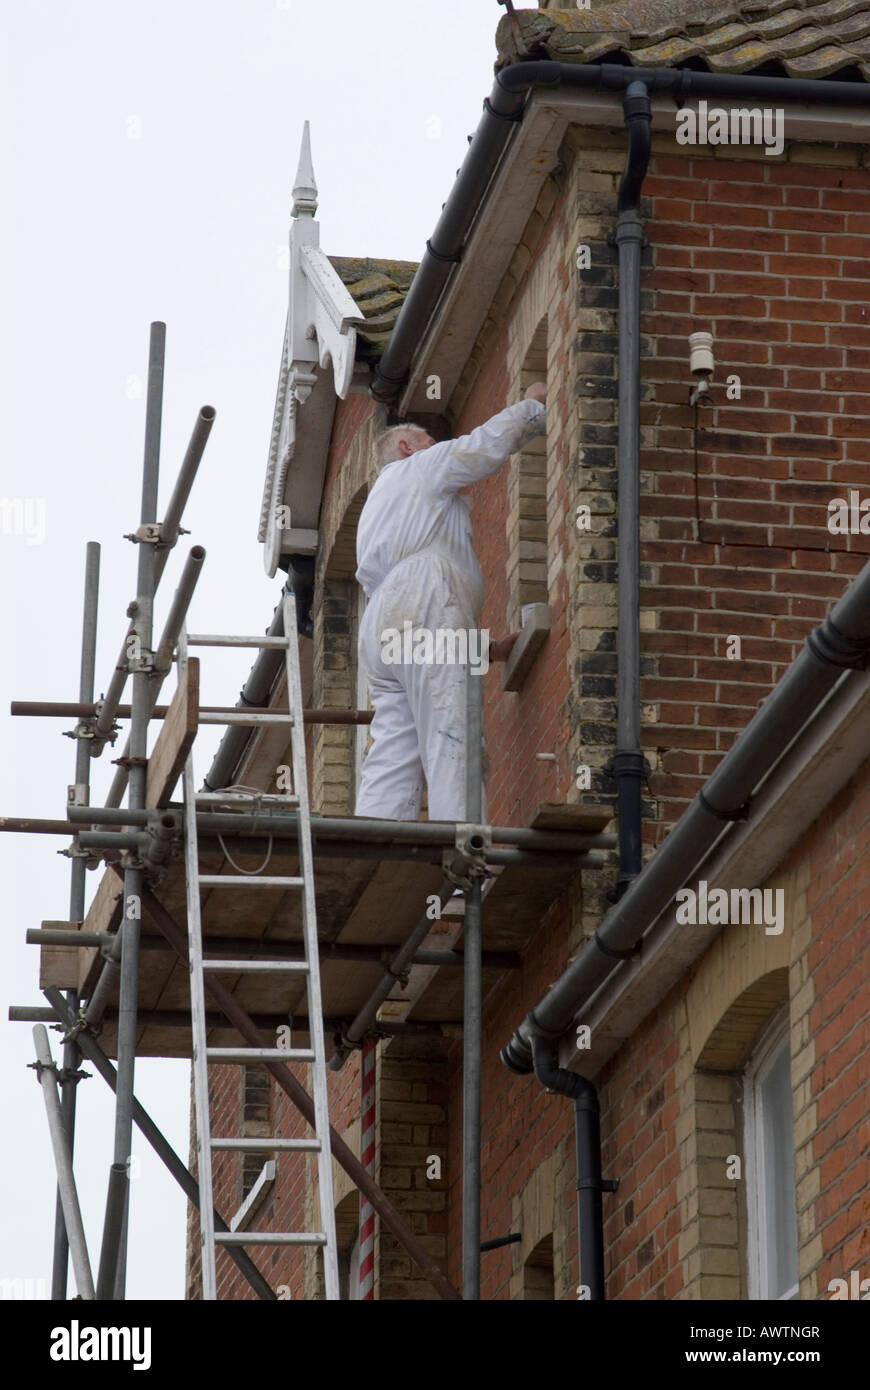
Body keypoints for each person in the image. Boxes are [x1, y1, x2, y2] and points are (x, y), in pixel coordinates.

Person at [353, 383, 547, 821]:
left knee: (394, 743)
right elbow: (483, 446)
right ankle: (464, 858)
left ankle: (372, 843)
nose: (436, 448)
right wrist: (533, 406)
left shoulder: (378, 509)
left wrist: (486, 651)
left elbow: (415, 640)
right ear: (406, 447)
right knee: (451, 730)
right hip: (421, 595)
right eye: (429, 442)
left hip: (380, 628)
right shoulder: (418, 468)